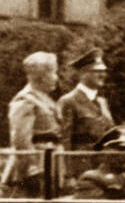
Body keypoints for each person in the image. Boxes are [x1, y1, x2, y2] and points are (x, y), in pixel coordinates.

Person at [6, 51, 62, 193]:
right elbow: (21, 139)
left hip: (51, 163)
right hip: (37, 168)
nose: (56, 78)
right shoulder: (25, 100)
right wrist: (33, 169)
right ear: (41, 77)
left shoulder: (45, 98)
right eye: (54, 73)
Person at [58, 48, 116, 151]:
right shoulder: (68, 101)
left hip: (104, 164)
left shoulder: (102, 102)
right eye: (97, 71)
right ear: (82, 73)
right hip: (81, 164)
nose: (102, 75)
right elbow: (64, 142)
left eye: (103, 71)